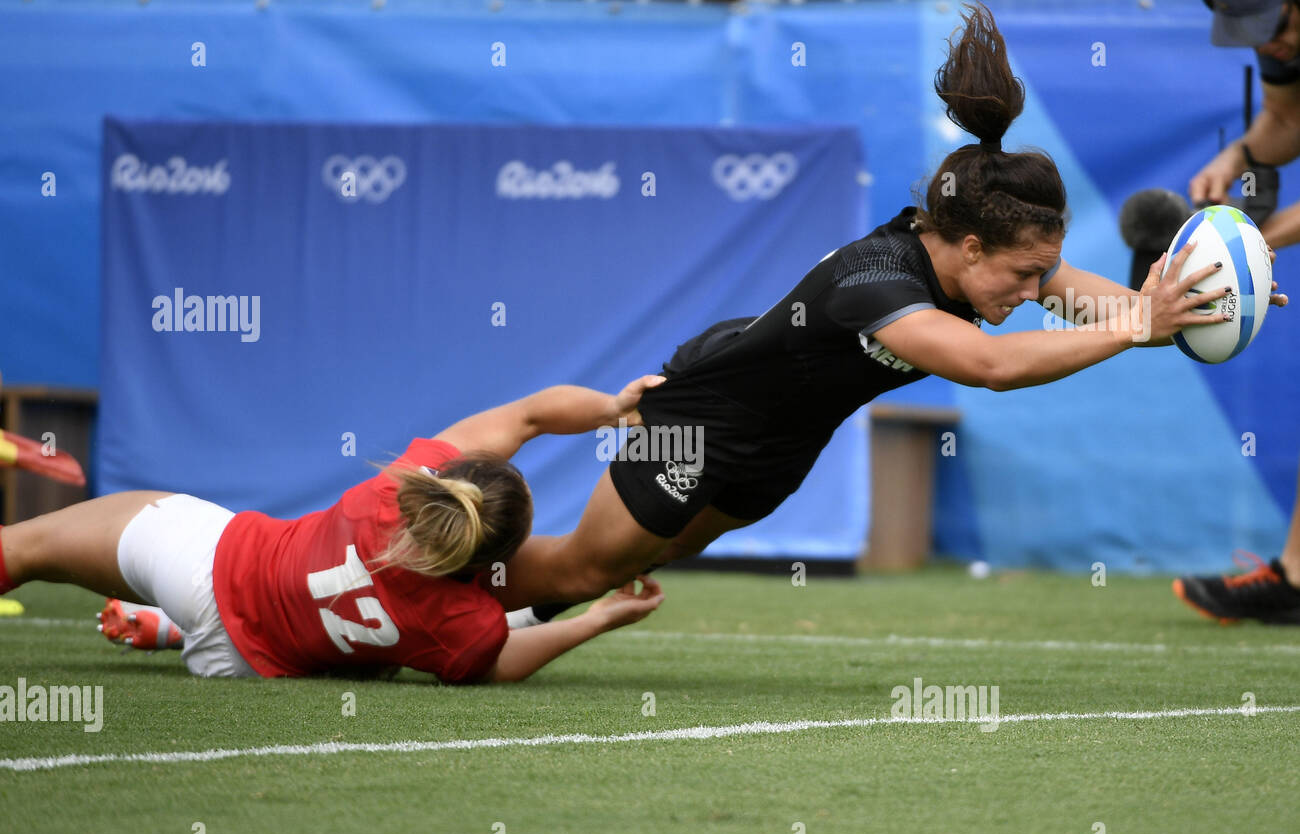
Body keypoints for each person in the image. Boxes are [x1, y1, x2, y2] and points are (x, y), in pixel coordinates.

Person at [495, 2, 1287, 624]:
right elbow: (991, 367)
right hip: (705, 411)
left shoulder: (999, 261)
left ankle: (512, 617)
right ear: (970, 247)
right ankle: (428, 583)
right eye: (1022, 274)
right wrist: (1136, 324)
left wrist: (1203, 301)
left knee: (660, 550)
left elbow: (1128, 314)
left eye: (1043, 272)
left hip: (784, 443)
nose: (1034, 289)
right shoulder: (875, 282)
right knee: (591, 566)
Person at [0, 378, 666, 683]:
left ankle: (168, 618)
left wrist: (613, 407)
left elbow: (528, 415)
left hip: (203, 564)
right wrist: (598, 620)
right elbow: (498, 661)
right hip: (244, 665)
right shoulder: (460, 619)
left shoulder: (394, 487)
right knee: (382, 662)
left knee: (21, 547)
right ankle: (168, 629)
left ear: (448, 482)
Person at [1172, 0, 1300, 625]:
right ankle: (1297, 580)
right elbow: (1285, 118)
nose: (1271, 45)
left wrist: (1252, 244)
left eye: (1276, 26)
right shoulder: (1284, 40)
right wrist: (1240, 156)